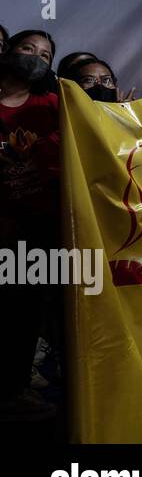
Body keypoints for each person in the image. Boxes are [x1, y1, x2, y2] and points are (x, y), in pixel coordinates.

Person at [0, 29, 60, 422]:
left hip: (35, 227)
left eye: (45, 55)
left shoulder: (54, 104)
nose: (36, 58)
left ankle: (13, 390)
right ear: (8, 51)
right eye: (27, 49)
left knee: (22, 313)